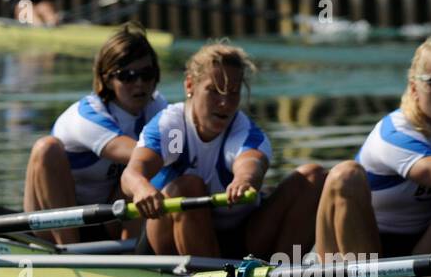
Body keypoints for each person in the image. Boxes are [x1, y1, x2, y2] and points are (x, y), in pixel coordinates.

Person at [315, 34, 431, 276]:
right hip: (356, 253)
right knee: (345, 174)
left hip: (422, 252)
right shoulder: (394, 133)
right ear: (414, 87)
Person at [120, 42, 325, 260]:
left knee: (314, 176)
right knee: (189, 186)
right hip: (169, 241)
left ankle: (283, 276)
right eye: (214, 91)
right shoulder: (175, 131)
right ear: (190, 85)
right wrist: (142, 188)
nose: (225, 103)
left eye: (233, 92)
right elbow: (132, 174)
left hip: (238, 239)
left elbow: (249, 164)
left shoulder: (241, 132)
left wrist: (244, 180)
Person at [24, 24, 168, 245]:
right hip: (53, 222)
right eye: (127, 76)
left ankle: (133, 255)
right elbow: (137, 153)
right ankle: (67, 252)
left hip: (106, 218)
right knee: (46, 147)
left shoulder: (157, 105)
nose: (139, 83)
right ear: (108, 78)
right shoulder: (86, 116)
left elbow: (178, 148)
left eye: (146, 74)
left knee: (142, 172)